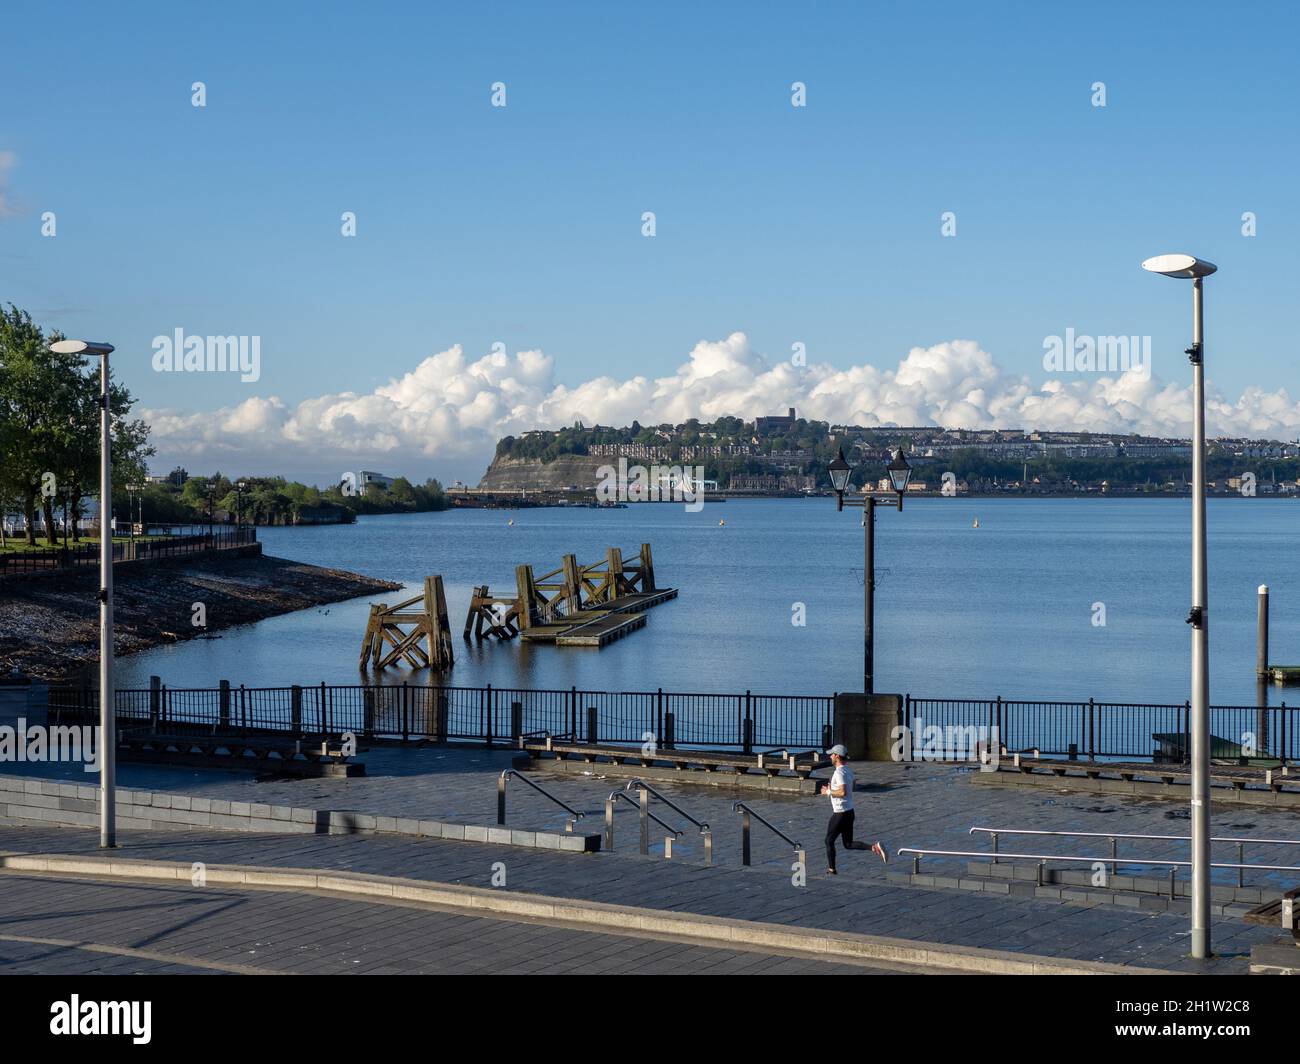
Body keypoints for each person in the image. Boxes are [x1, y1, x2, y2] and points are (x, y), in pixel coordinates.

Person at [820, 744, 886, 874]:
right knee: (848, 844)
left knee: (828, 841)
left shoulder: (838, 772)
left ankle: (831, 869)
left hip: (840, 813)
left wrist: (828, 792)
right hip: (849, 812)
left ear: (837, 756)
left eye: (832, 754)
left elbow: (843, 792)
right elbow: (852, 786)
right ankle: (874, 847)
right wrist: (833, 789)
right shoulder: (848, 770)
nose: (830, 756)